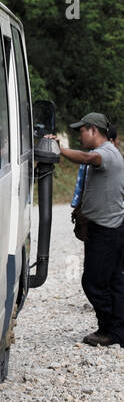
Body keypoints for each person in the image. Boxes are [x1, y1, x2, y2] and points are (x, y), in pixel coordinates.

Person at [58, 112, 124, 346]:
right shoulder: (111, 153)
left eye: (82, 131)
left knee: (94, 282)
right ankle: (118, 331)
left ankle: (108, 329)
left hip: (107, 230)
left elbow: (88, 158)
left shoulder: (106, 154)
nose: (80, 136)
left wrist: (60, 150)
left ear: (93, 130)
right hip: (108, 228)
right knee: (114, 281)